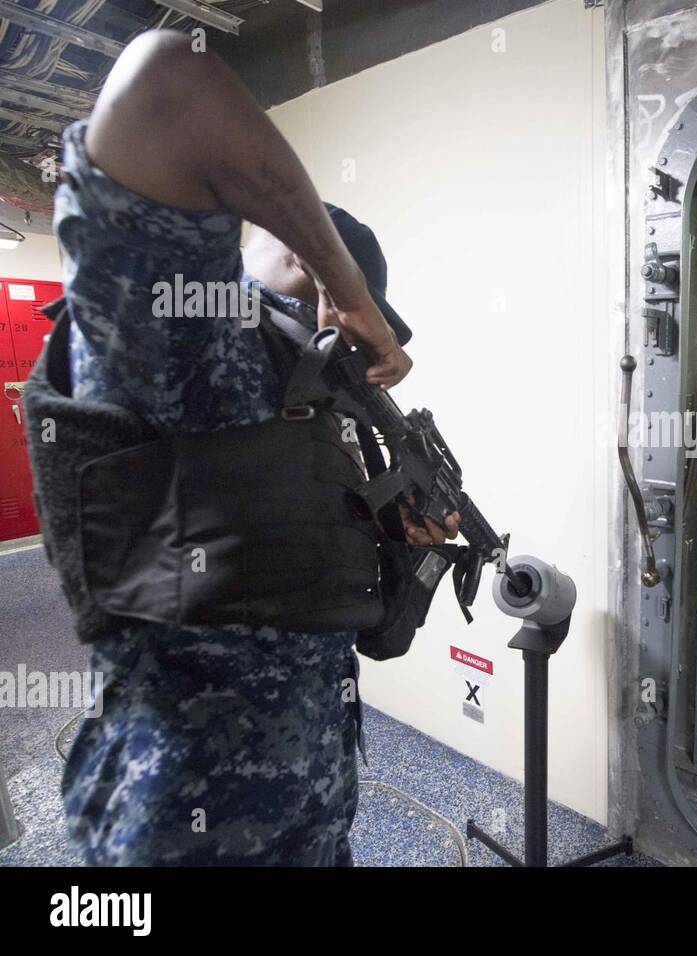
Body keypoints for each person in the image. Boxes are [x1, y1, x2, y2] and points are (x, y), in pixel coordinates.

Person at [27, 30, 455, 865]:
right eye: (328, 299)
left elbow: (303, 585)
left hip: (311, 791)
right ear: (301, 262)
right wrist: (346, 282)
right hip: (185, 820)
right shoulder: (188, 331)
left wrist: (390, 540)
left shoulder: (291, 388)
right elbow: (166, 84)